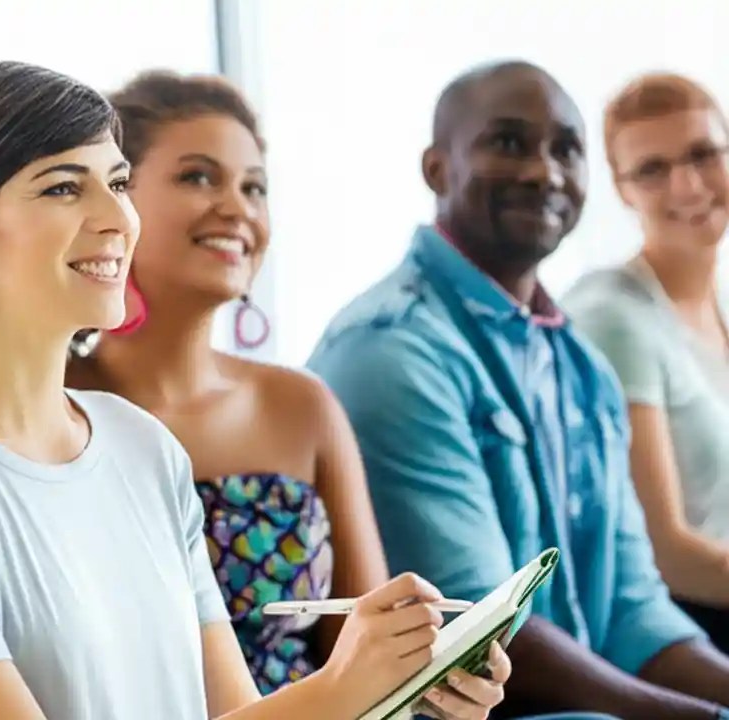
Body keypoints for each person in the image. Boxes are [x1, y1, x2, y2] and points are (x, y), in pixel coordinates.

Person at [0, 60, 511, 720]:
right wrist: (337, 690)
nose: (117, 219)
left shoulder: (142, 447)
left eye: (115, 182)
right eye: (62, 186)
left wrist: (395, 686)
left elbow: (236, 716)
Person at [308, 60, 729, 719]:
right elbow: (484, 632)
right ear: (436, 169)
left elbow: (633, 612)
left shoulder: (580, 365)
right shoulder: (391, 349)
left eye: (566, 148)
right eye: (507, 143)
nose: (543, 171)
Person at [66, 71, 385, 693]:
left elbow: (368, 650)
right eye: (198, 177)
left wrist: (436, 679)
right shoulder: (44, 404)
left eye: (254, 187)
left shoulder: (302, 406)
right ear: (115, 200)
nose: (238, 208)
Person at [562, 72, 729, 653]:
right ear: (622, 188)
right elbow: (668, 552)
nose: (687, 186)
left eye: (704, 154)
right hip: (689, 627)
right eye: (653, 170)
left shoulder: (717, 305)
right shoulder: (615, 316)